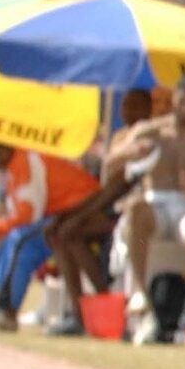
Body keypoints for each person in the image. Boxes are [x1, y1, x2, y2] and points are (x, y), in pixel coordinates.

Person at [115, 75, 185, 339]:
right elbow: (112, 161)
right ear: (173, 97)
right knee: (136, 208)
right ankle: (140, 296)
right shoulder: (151, 131)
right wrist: (131, 154)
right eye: (182, 102)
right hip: (156, 201)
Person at [42, 88, 157, 336]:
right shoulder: (119, 138)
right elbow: (104, 188)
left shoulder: (149, 140)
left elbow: (120, 186)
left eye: (136, 105)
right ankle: (79, 310)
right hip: (108, 206)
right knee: (54, 232)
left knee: (69, 232)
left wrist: (82, 216)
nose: (129, 111)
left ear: (150, 110)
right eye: (126, 105)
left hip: (133, 211)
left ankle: (103, 303)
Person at [0, 140, 101, 332]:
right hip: (65, 213)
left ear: (3, 149)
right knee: (11, 240)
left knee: (22, 241)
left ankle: (7, 310)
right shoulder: (13, 167)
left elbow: (29, 215)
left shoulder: (26, 160)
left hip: (84, 208)